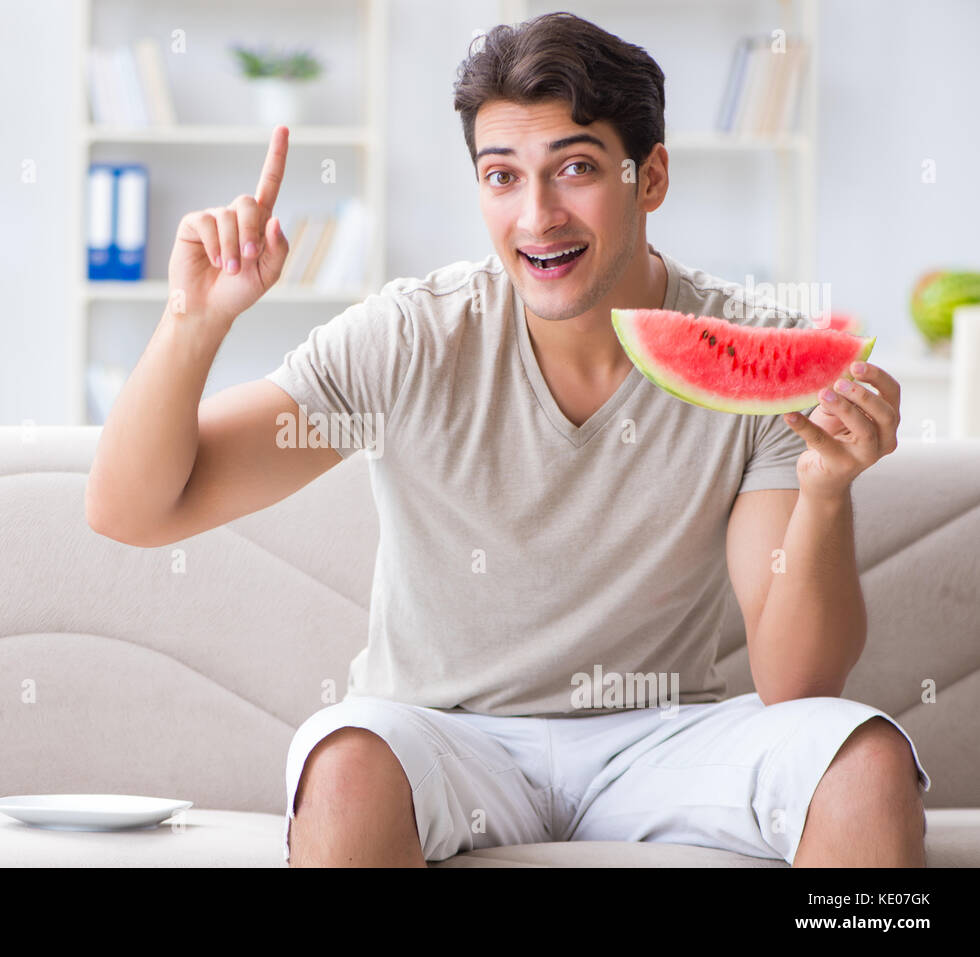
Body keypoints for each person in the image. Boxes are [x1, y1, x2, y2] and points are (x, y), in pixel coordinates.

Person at [85, 11, 929, 868]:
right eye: (501, 176)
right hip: (441, 740)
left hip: (665, 739)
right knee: (345, 768)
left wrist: (825, 493)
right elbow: (133, 510)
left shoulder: (758, 356)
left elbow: (798, 685)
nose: (538, 216)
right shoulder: (408, 338)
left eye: (575, 168)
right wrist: (192, 321)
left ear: (652, 176)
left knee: (866, 763)